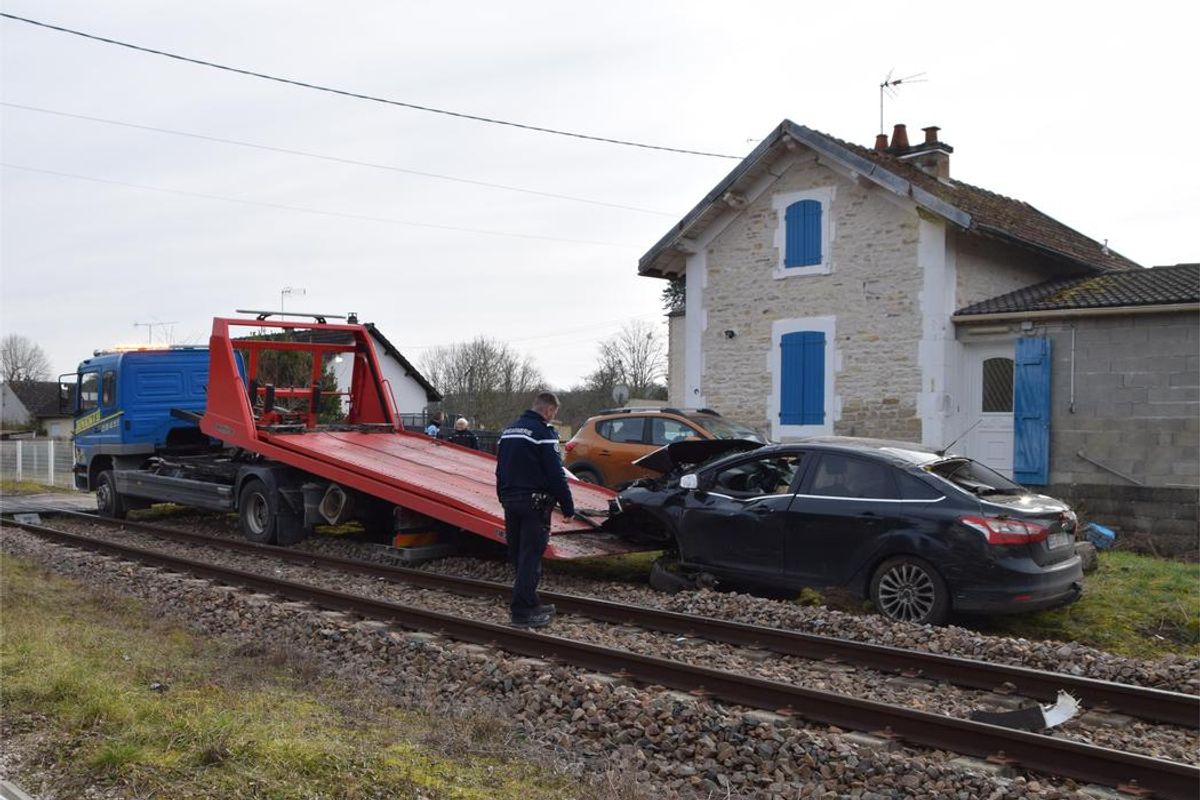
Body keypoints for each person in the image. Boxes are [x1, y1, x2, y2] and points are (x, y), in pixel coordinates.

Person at [495, 392, 574, 628]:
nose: (553, 418)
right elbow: (555, 473)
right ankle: (521, 611)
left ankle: (530, 602)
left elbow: (499, 468)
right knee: (531, 556)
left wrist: (502, 495)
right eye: (554, 414)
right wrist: (567, 505)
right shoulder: (544, 433)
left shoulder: (509, 431)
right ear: (549, 410)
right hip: (534, 503)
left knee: (519, 554)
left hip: (511, 499)